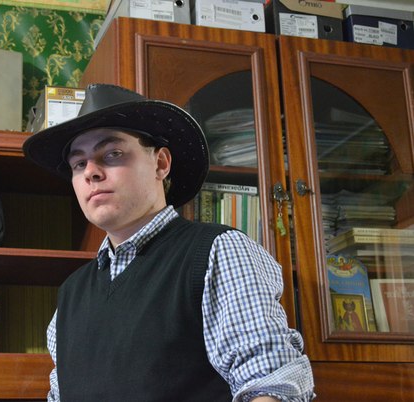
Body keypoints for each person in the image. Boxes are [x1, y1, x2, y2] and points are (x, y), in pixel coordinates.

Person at [22, 83, 315, 401]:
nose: (91, 171)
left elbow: (271, 385)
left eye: (112, 154)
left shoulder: (218, 252)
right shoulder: (71, 293)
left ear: (161, 164)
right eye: (79, 164)